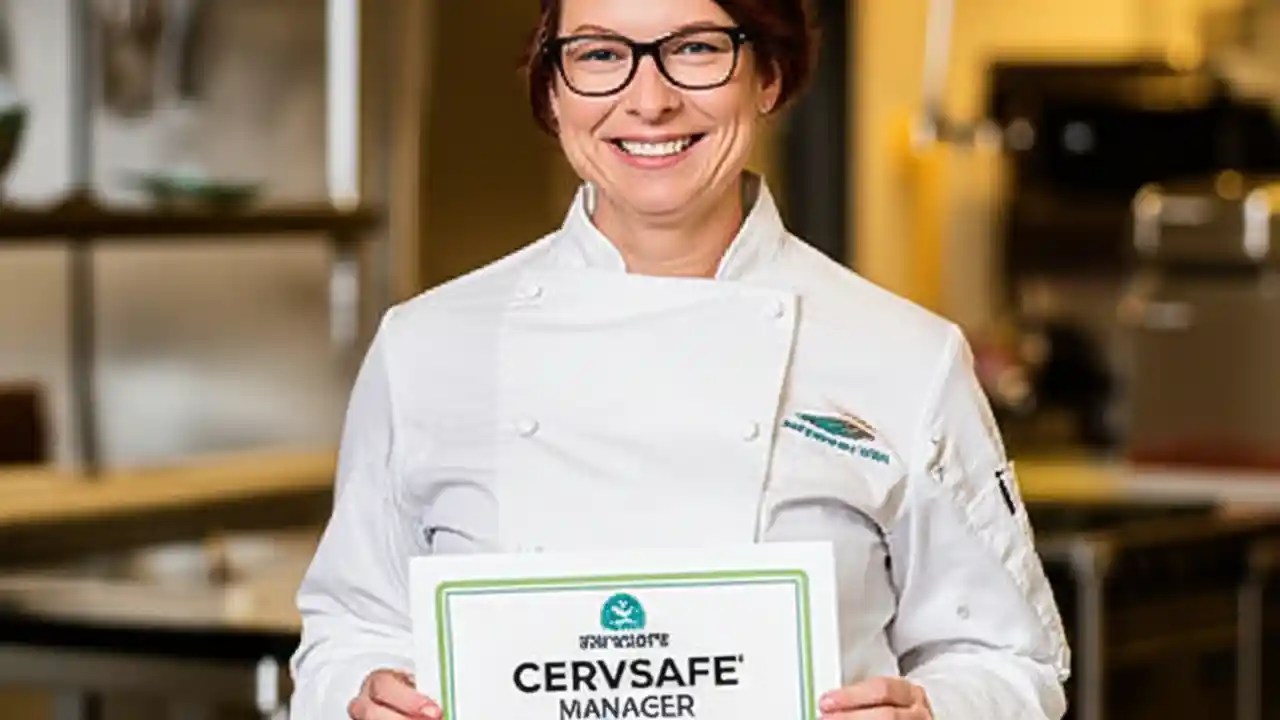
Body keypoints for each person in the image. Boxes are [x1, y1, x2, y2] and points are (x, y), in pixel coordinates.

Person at [290, 0, 1071, 717]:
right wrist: (361, 697)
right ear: (552, 89)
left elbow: (1010, 661)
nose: (649, 99)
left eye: (695, 48)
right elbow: (349, 632)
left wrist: (933, 712)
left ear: (768, 74)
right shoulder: (426, 346)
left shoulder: (905, 357)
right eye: (599, 56)